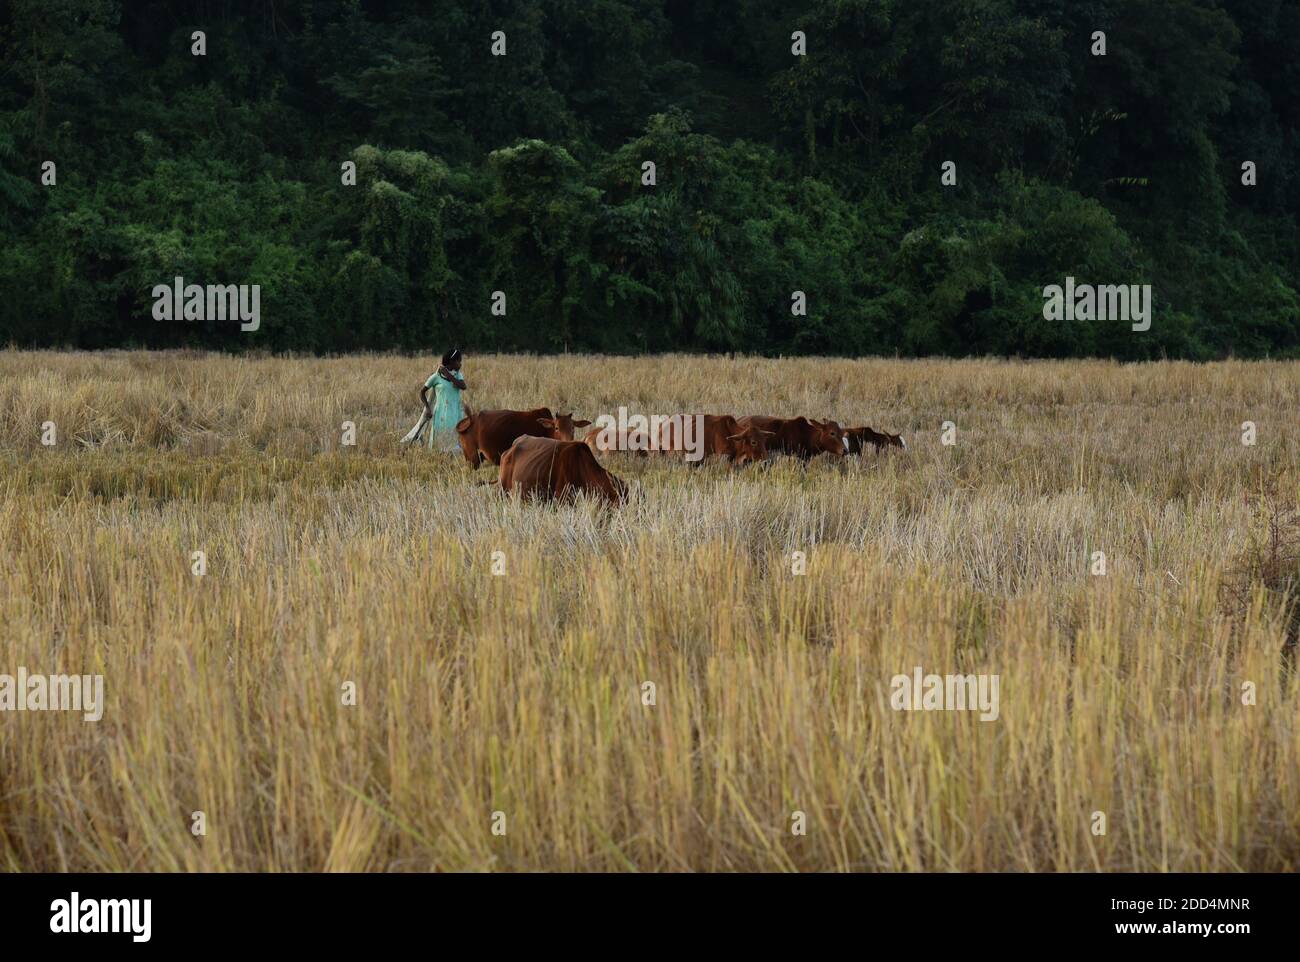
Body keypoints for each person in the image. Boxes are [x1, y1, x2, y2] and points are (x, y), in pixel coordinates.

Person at [419, 349, 467, 451]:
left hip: (455, 411)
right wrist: (427, 408)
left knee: (455, 436)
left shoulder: (457, 375)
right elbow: (422, 392)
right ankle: (440, 454)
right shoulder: (436, 377)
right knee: (441, 438)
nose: (460, 364)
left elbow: (463, 386)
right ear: (452, 361)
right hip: (441, 413)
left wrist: (448, 375)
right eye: (459, 361)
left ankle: (452, 454)